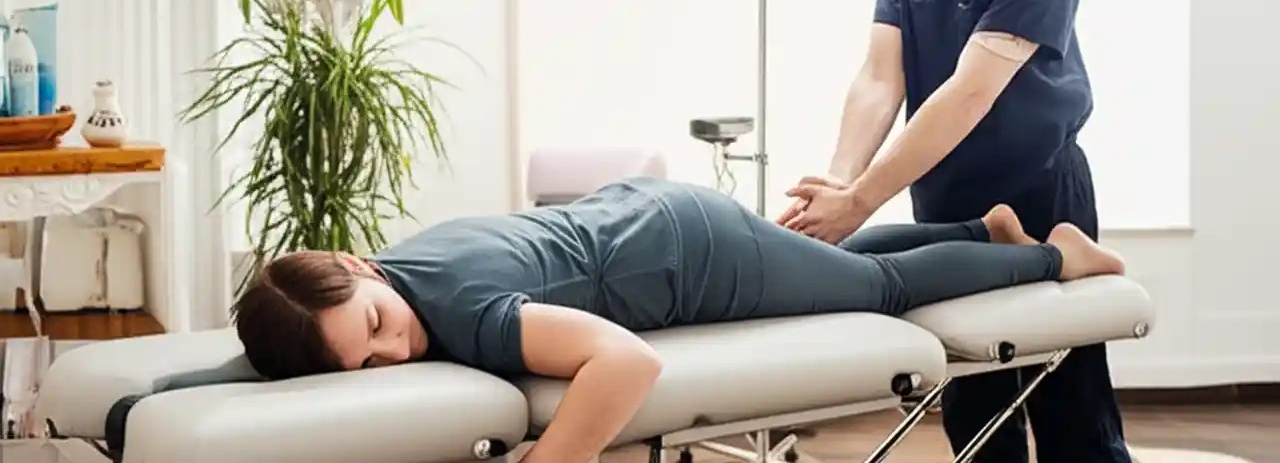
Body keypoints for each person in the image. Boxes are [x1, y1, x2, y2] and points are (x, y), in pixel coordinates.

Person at [233, 176, 1125, 463]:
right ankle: (982, 230)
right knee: (845, 268)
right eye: (369, 363)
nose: (398, 350)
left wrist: (560, 457)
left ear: (355, 268)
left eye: (381, 323)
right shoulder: (410, 257)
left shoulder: (469, 315)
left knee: (881, 289)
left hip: (696, 257)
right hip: (653, 222)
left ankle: (1054, 256)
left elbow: (624, 366)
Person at [774, 0, 1131, 463]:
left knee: (1070, 410)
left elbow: (970, 91)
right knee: (974, 408)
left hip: (1038, 194)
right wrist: (843, 183)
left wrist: (864, 199)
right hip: (940, 194)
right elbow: (881, 77)